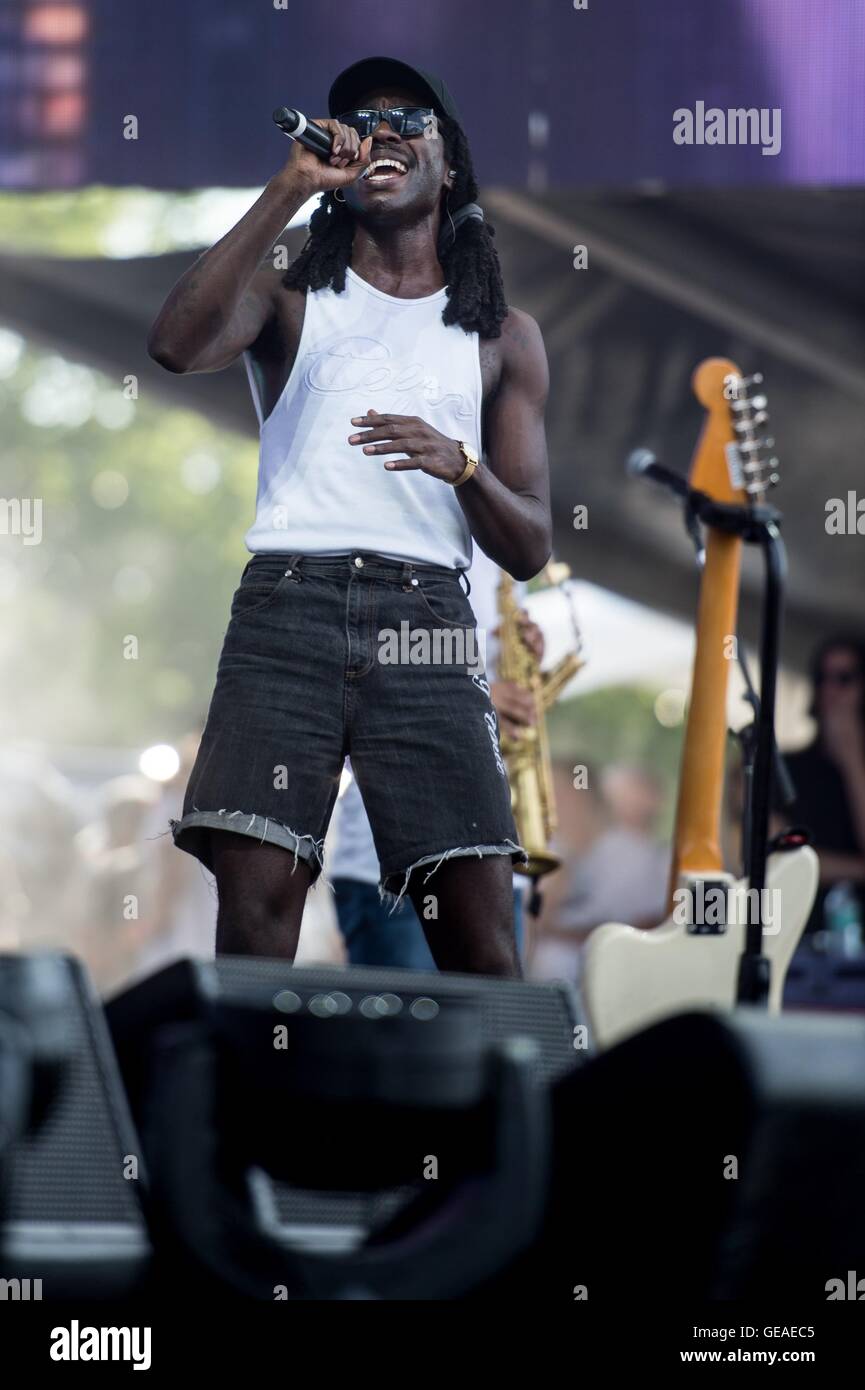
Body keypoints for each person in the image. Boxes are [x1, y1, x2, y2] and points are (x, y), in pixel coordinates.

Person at [147, 56, 552, 976]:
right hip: (290, 604)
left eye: (412, 118)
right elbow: (172, 345)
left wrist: (466, 468)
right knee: (257, 913)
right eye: (364, 120)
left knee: (480, 927)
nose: (385, 131)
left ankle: (485, 1121)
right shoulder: (292, 292)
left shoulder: (501, 334)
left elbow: (529, 544)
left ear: (449, 167)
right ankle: (243, 1115)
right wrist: (288, 186)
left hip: (428, 620)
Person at [328, 545, 544, 967]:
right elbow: (368, 639)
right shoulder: (405, 511)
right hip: (392, 864)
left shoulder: (505, 545)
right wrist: (475, 696)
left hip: (492, 859)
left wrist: (520, 656)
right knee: (410, 1032)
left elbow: (468, 651)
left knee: (494, 1028)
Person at [781, 636, 865, 934]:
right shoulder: (786, 768)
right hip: (802, 934)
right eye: (822, 678)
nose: (831, 690)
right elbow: (782, 861)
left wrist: (853, 760)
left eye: (844, 679)